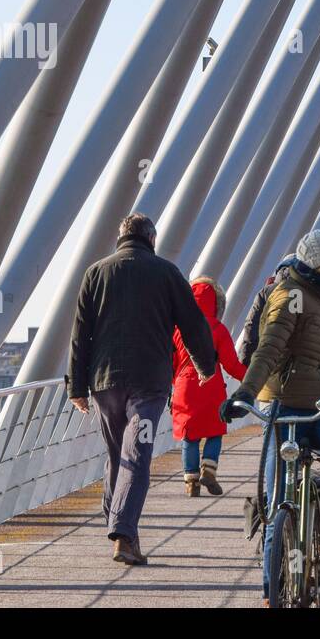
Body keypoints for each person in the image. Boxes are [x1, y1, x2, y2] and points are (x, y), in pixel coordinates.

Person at [221, 229, 320, 602]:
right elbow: (268, 349)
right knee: (274, 501)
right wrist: (246, 392)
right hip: (283, 406)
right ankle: (271, 592)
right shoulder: (293, 296)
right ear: (317, 266)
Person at [68, 213, 216, 566]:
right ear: (151, 238)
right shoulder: (166, 273)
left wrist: (76, 385)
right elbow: (193, 323)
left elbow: (79, 334)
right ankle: (122, 534)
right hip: (148, 384)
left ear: (121, 237)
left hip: (104, 383)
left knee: (118, 453)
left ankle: (118, 523)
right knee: (137, 455)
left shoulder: (96, 272)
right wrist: (205, 366)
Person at [171, 276, 246, 498]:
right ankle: (209, 469)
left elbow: (170, 363)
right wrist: (253, 380)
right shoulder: (219, 329)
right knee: (215, 430)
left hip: (185, 387)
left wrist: (173, 385)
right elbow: (231, 365)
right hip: (212, 385)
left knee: (189, 436)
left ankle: (191, 482)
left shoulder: (177, 329)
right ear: (216, 303)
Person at [238, 253, 293, 368]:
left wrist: (245, 361)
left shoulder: (266, 292)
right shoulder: (305, 296)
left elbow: (251, 326)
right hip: (287, 367)